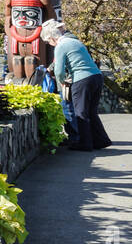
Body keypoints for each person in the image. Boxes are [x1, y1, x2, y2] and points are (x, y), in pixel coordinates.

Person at [42, 20, 112, 151]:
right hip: (96, 77)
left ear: (52, 38)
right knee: (92, 111)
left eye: (48, 42)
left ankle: (85, 144)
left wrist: (61, 83)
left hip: (81, 80)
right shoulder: (75, 41)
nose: (49, 44)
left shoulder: (61, 46)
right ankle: (102, 140)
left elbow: (59, 70)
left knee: (80, 112)